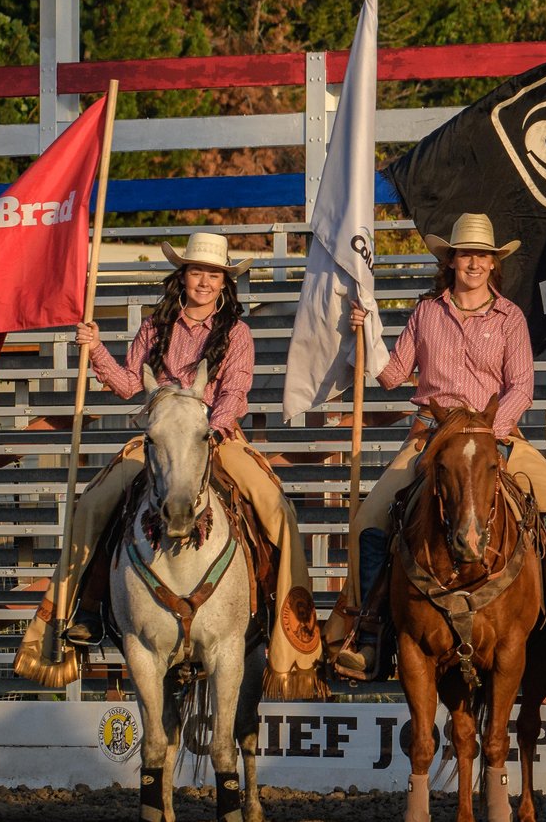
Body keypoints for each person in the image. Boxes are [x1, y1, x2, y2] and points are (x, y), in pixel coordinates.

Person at [19, 233, 321, 699]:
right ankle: (84, 610)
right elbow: (126, 385)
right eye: (197, 271)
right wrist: (96, 347)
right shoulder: (154, 327)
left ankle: (284, 626)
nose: (204, 281)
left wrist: (210, 433)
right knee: (92, 506)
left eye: (214, 274)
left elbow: (234, 393)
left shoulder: (236, 334)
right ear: (183, 275)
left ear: (225, 283)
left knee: (277, 509)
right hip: (158, 439)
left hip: (216, 437)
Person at [322, 214, 546, 681]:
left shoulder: (510, 318)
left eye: (482, 255)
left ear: (493, 263)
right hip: (430, 439)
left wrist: (487, 433)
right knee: (368, 521)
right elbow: (393, 375)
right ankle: (370, 632)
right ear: (451, 261)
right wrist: (365, 332)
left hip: (495, 437)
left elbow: (522, 387)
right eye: (466, 255)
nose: (474, 263)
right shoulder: (426, 313)